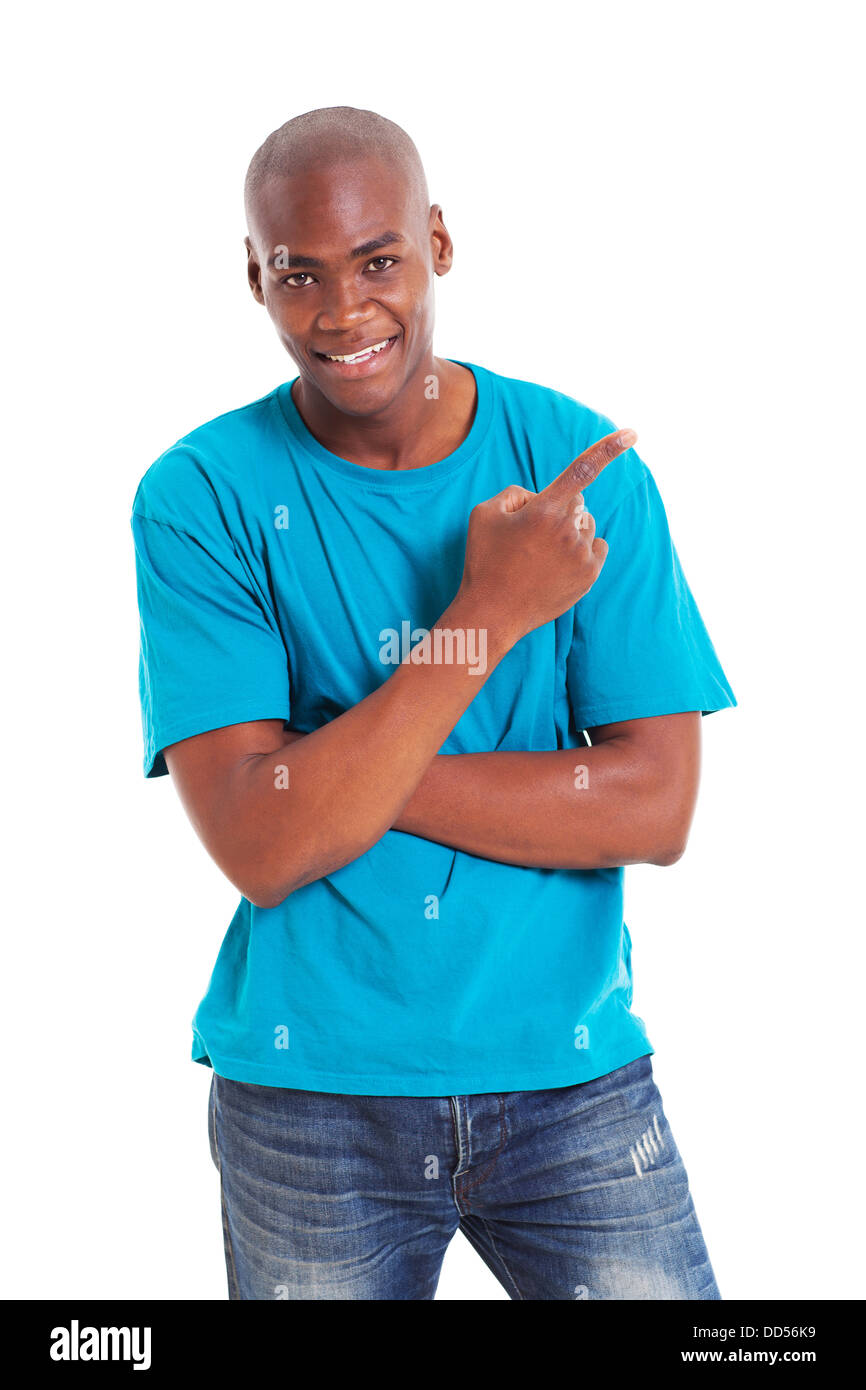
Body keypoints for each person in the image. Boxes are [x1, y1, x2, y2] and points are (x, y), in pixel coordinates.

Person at [130, 105, 736, 1301]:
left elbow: (654, 807)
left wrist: (330, 778)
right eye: (298, 273)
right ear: (253, 278)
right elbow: (261, 846)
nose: (340, 311)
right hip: (308, 1096)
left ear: (438, 244)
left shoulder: (575, 469)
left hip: (570, 1077)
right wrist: (489, 614)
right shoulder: (198, 495)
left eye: (376, 261)